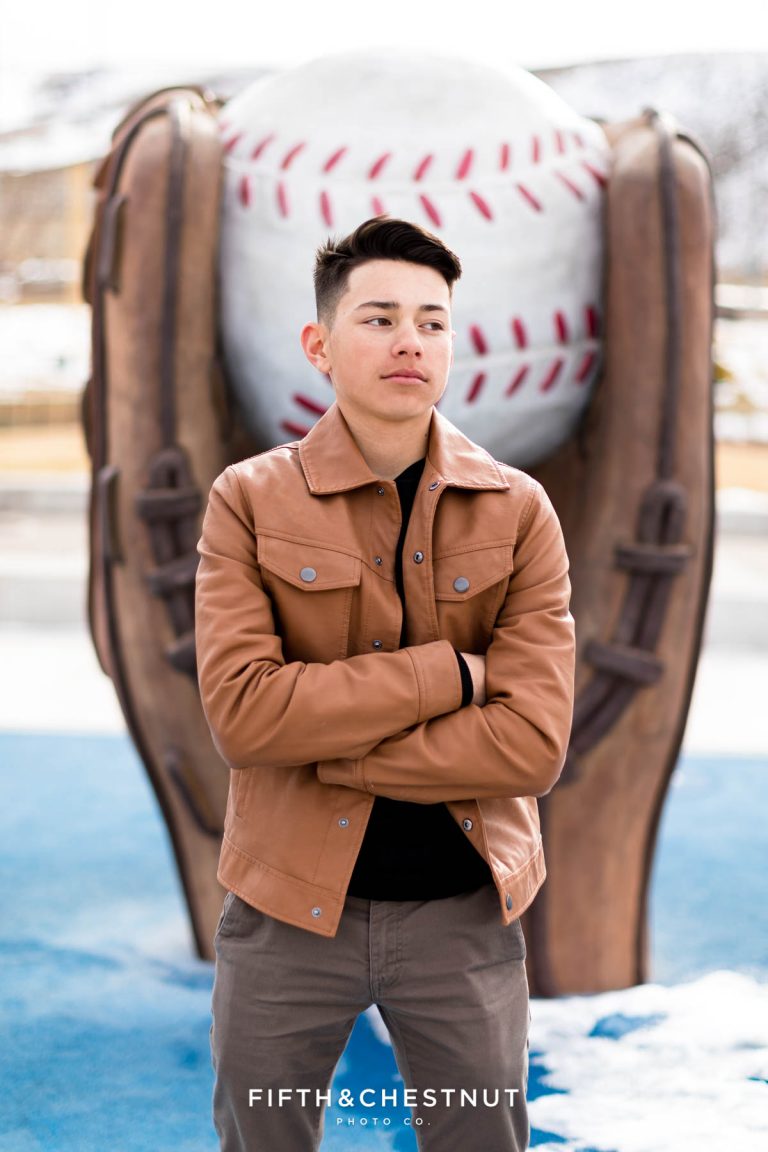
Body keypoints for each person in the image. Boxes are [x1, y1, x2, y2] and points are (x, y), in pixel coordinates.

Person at [194, 216, 575, 1151]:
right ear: (319, 344)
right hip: (286, 912)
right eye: (379, 319)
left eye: (432, 322)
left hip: (465, 916)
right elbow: (246, 717)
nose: (411, 340)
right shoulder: (248, 499)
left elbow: (531, 745)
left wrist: (332, 751)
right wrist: (448, 673)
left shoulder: (521, 512)